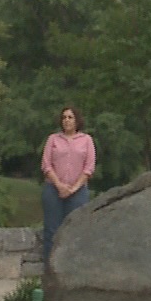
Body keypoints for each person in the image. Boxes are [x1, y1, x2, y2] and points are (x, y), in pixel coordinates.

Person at [41, 105, 96, 261]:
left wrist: (73, 188)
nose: (66, 120)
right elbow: (46, 165)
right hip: (54, 188)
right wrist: (59, 185)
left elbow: (89, 167)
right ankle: (50, 270)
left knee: (76, 230)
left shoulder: (86, 140)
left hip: (77, 191)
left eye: (70, 117)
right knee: (52, 231)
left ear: (77, 120)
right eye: (64, 117)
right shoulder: (53, 139)